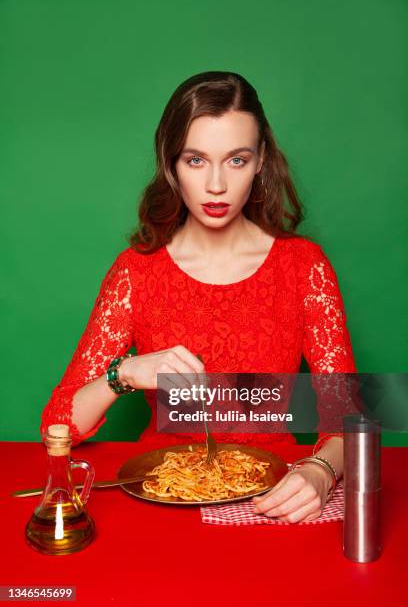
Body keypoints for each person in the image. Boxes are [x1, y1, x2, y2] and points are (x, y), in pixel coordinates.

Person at [41, 71, 356, 523]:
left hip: (273, 500)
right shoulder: (136, 273)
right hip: (159, 499)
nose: (215, 185)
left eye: (236, 160)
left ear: (261, 160)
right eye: (195, 160)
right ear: (170, 164)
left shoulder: (305, 268)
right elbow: (57, 426)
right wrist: (125, 373)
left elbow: (346, 421)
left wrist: (322, 470)